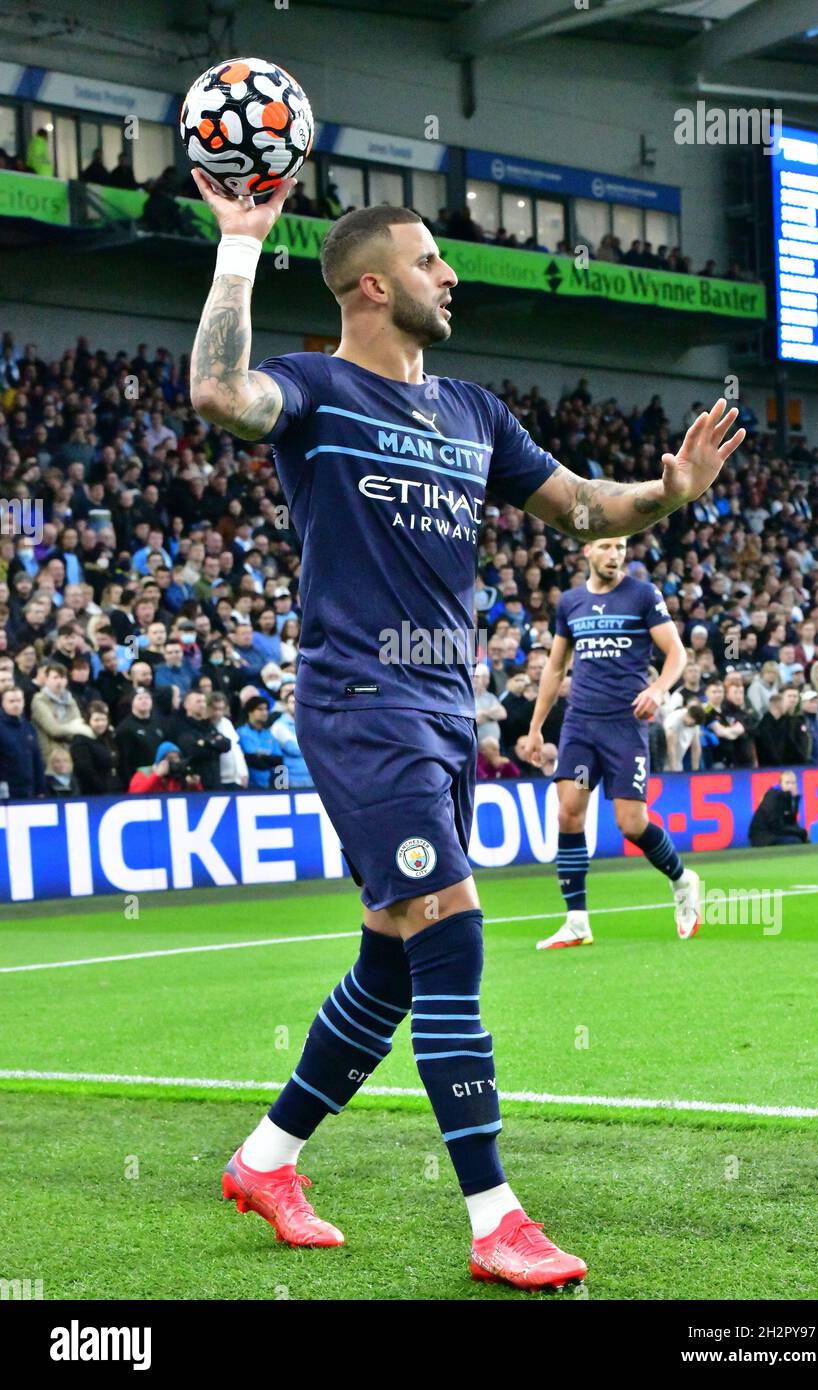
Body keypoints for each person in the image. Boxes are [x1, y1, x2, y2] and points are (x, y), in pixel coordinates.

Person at [188, 167, 744, 1290]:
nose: (452, 272)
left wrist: (670, 490)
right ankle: (494, 1217)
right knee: (453, 935)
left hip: (449, 712)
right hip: (360, 704)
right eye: (432, 259)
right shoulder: (317, 390)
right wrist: (240, 242)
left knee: (391, 963)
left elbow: (583, 508)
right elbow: (216, 394)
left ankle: (265, 1159)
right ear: (374, 286)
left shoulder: (472, 413)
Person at [527, 536, 700, 949]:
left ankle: (682, 880)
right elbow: (555, 668)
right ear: (586, 550)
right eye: (606, 546)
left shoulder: (642, 594)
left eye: (621, 548)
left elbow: (677, 654)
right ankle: (577, 921)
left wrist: (658, 689)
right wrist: (535, 727)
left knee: (631, 824)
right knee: (569, 813)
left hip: (624, 725)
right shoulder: (570, 602)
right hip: (581, 725)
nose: (615, 555)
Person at [0, 685, 46, 799]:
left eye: (19, 700)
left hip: (29, 790)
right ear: (3, 703)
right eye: (11, 701)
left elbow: (37, 760)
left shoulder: (28, 727)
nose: (16, 704)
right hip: (6, 791)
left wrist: (41, 789)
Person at [748, 770, 809, 847]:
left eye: (793, 783)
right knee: (795, 841)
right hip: (763, 837)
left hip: (774, 834)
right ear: (781, 784)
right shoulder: (772, 797)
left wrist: (796, 800)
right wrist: (802, 832)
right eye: (787, 783)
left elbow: (791, 822)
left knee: (801, 838)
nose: (790, 786)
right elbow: (777, 827)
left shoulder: (789, 799)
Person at [128, 741, 201, 793]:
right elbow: (135, 796)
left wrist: (195, 785)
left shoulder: (178, 777)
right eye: (170, 758)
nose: (174, 762)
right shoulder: (144, 774)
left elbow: (198, 801)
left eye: (177, 758)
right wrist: (156, 776)